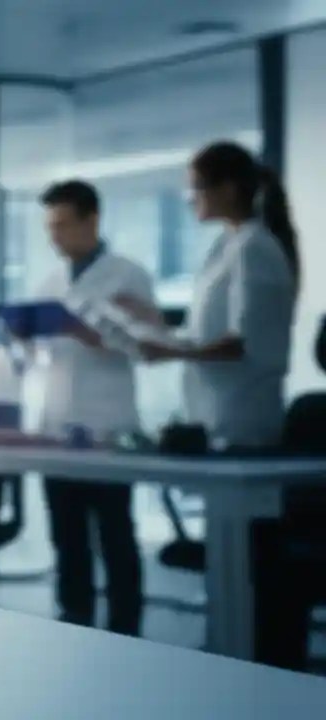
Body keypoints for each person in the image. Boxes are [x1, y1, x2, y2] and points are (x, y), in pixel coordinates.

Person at [122, 142, 301, 667]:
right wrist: (161, 330)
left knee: (254, 568)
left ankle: (258, 671)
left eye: (196, 187)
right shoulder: (232, 245)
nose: (189, 198)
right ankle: (233, 659)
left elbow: (243, 341)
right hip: (221, 420)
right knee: (235, 564)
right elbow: (212, 332)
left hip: (246, 425)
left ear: (226, 188)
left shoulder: (254, 247)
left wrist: (168, 349)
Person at [32, 180, 152, 636]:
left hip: (107, 427)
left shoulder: (129, 276)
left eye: (62, 224)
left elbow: (146, 346)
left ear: (92, 220)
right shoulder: (50, 281)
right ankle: (74, 626)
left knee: (115, 538)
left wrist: (87, 334)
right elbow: (45, 352)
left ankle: (127, 631)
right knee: (67, 540)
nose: (54, 236)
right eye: (50, 226)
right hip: (59, 427)